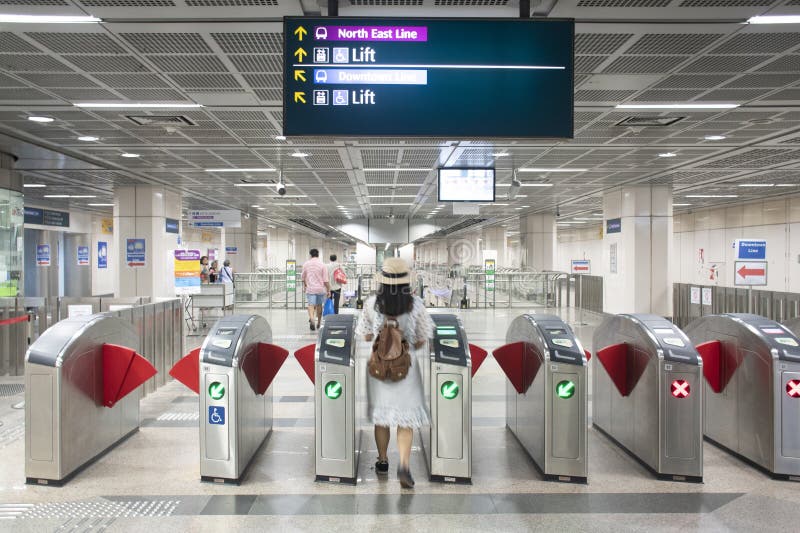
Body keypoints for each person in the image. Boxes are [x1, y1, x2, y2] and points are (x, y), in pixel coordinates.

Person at [355, 258, 433, 489]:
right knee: (405, 421)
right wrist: (403, 342)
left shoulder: (371, 304)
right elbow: (421, 339)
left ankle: (382, 461)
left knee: (382, 419)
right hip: (405, 370)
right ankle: (405, 467)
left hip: (378, 369)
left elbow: (366, 336)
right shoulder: (416, 304)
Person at [301, 248, 330, 331]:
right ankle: (319, 322)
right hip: (320, 289)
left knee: (311, 305)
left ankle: (312, 320)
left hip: (310, 289)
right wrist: (328, 290)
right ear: (318, 255)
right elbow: (325, 280)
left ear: (310, 255)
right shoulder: (322, 265)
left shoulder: (306, 264)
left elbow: (303, 277)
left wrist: (305, 285)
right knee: (319, 305)